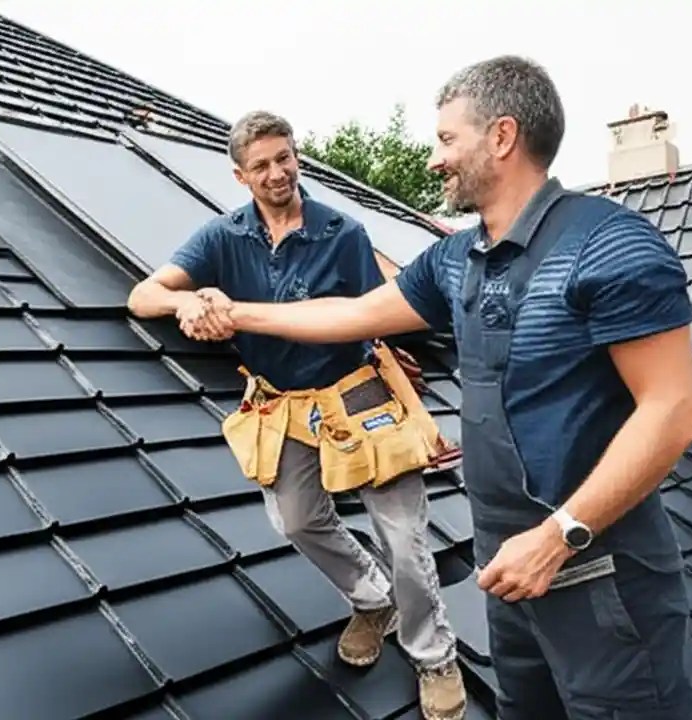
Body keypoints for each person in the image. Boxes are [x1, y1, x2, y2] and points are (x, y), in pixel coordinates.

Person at [184, 58, 692, 719]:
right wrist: (233, 312)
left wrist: (558, 536)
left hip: (599, 577)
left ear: (501, 137)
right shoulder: (457, 257)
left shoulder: (608, 246)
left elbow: (673, 410)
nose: (434, 161)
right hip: (508, 574)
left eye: (446, 140)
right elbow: (349, 315)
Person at [127, 110, 468, 720]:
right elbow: (142, 295)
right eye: (261, 165)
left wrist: (397, 360)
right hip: (283, 403)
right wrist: (189, 301)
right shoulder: (221, 238)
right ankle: (372, 600)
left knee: (404, 535)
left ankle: (433, 654)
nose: (277, 172)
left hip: (358, 391)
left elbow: (377, 312)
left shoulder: (343, 231)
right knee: (295, 519)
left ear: (296, 157)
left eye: (284, 158)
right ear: (240, 175)